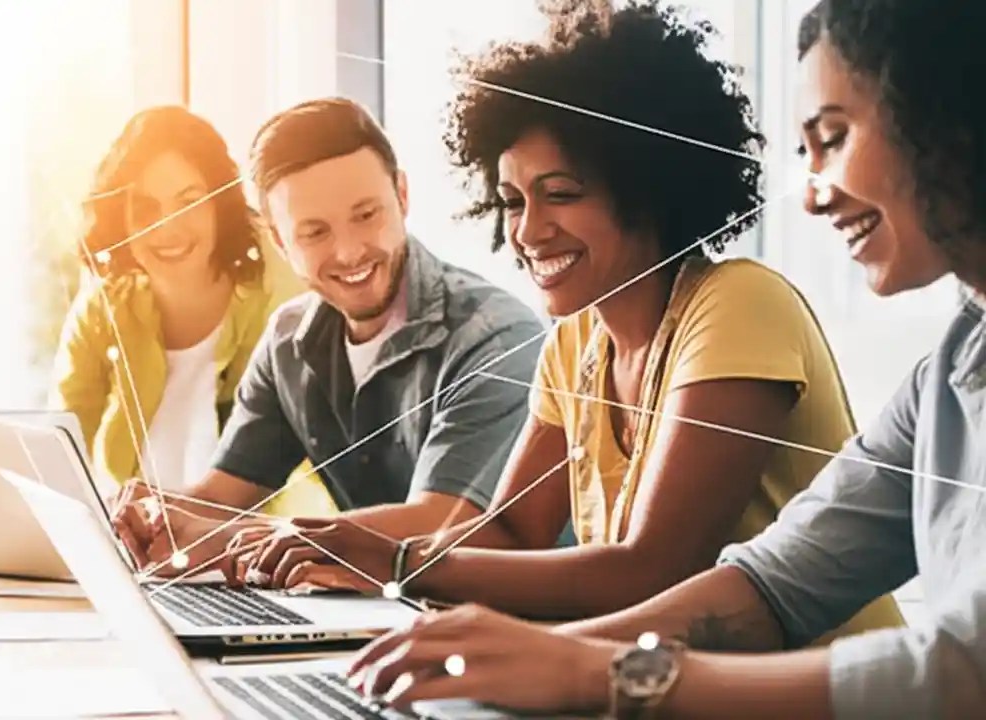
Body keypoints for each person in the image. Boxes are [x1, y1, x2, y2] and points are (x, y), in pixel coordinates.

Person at [347, 0, 986, 718]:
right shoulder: (949, 371)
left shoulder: (739, 303)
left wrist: (595, 671)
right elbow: (768, 587)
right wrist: (517, 659)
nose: (810, 195)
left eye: (832, 138)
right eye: (513, 202)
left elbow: (965, 670)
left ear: (946, 112)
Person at [236, 0, 898, 639]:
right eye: (512, 201)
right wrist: (351, 554)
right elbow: (511, 532)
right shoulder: (575, 345)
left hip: (824, 689)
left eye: (560, 194)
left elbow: (653, 570)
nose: (528, 231)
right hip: (662, 683)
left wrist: (398, 562)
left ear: (646, 187)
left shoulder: (739, 305)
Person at [111, 97, 543, 575]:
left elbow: (445, 523)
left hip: (499, 610)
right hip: (374, 607)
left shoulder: (498, 339)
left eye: (367, 215)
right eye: (315, 232)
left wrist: (241, 538)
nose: (350, 252)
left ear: (401, 195)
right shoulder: (289, 342)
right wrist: (148, 516)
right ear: (279, 240)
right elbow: (220, 500)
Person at [51, 106, 330, 517]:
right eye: (145, 207)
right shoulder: (105, 308)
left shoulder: (283, 299)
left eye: (189, 202)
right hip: (136, 547)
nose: (167, 228)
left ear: (219, 205)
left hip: (264, 546)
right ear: (121, 218)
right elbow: (58, 450)